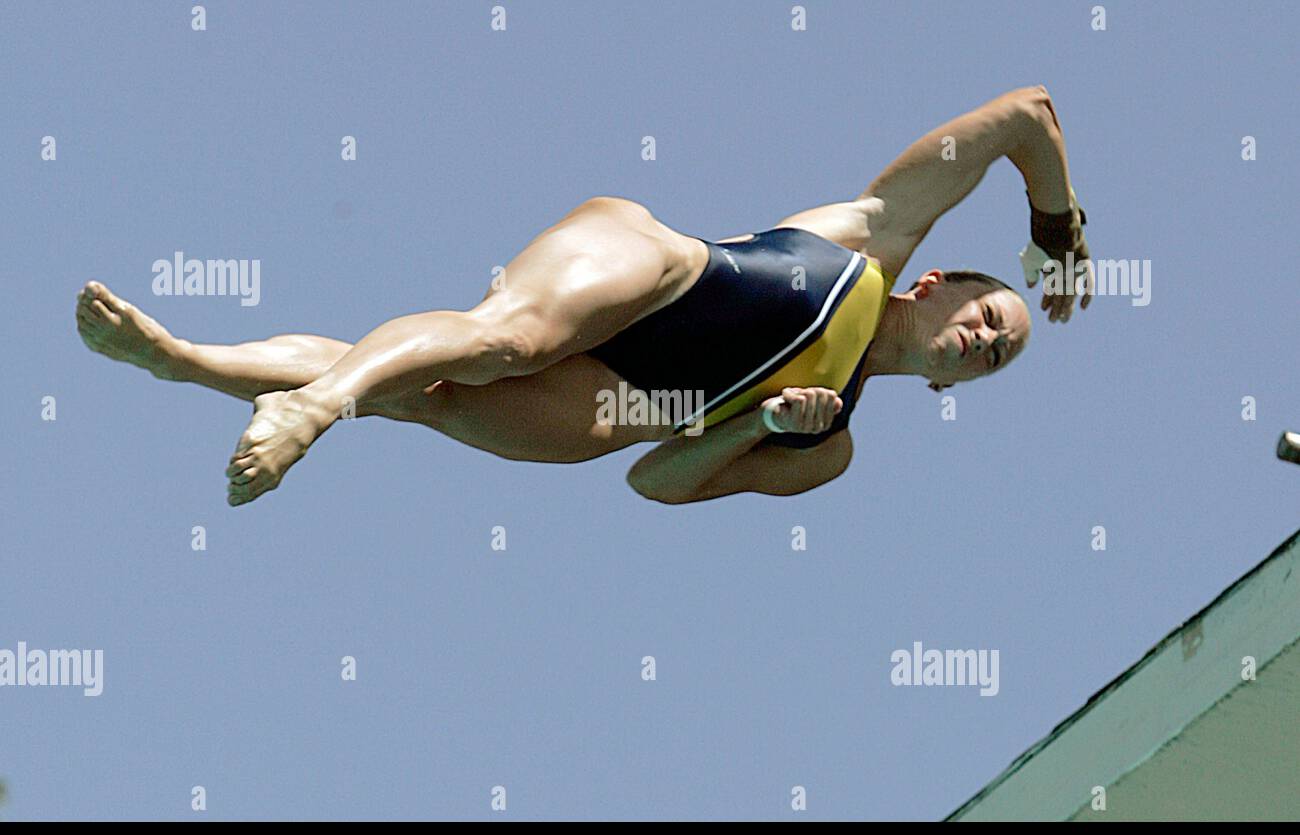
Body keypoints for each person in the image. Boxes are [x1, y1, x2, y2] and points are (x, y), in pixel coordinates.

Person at [75, 85, 1091, 506]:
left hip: (627, 400)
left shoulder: (826, 449)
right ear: (938, 281)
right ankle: (313, 405)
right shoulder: (878, 235)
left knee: (432, 396)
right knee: (500, 341)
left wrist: (764, 426)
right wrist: (1056, 233)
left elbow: (658, 482)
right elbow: (1022, 114)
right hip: (655, 271)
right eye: (989, 319)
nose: (981, 340)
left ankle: (182, 361)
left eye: (992, 356)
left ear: (954, 389)